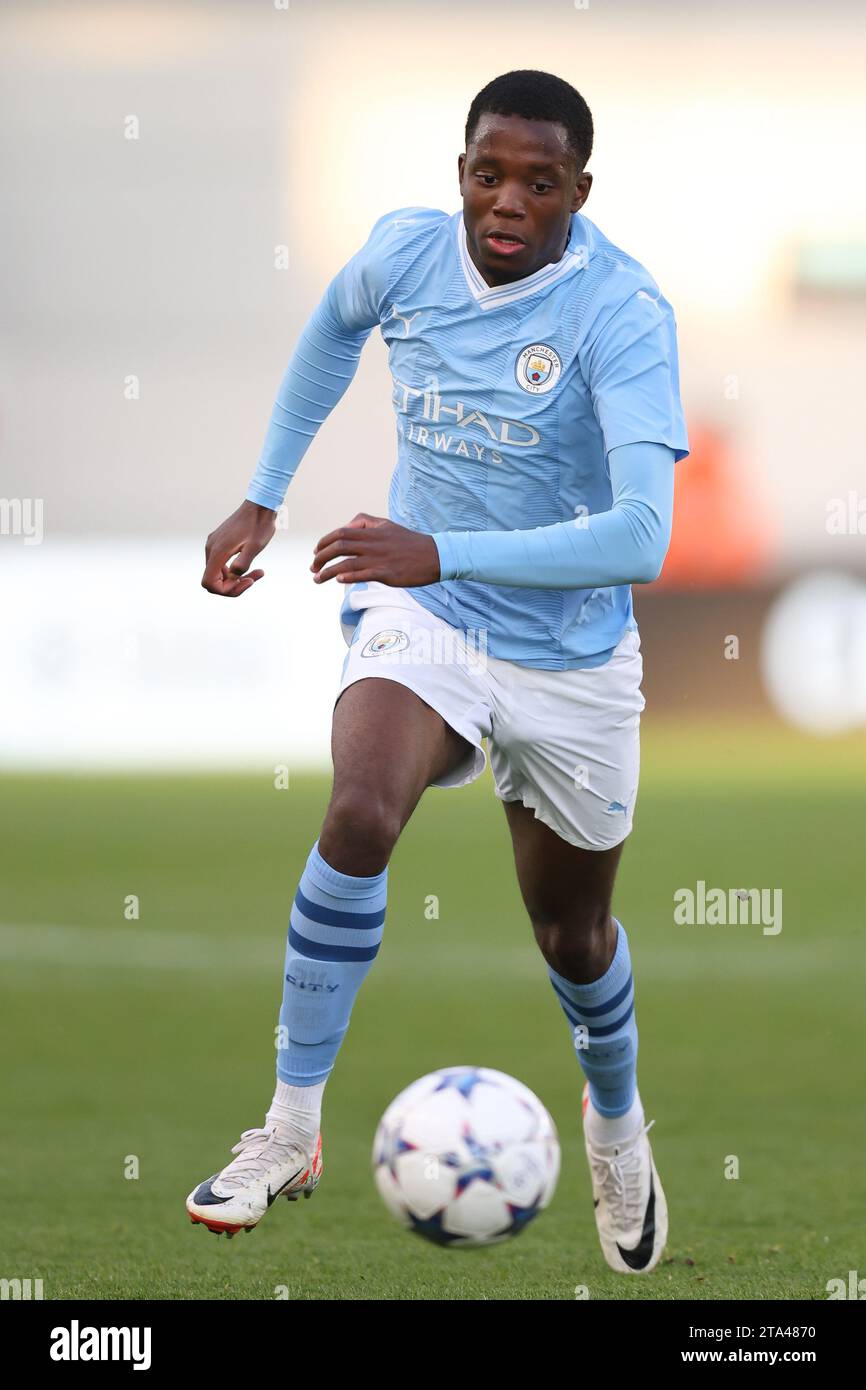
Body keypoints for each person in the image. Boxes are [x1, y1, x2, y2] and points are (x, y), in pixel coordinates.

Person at [188, 68, 689, 1275]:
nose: (504, 202)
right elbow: (328, 330)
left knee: (571, 936)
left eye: (536, 182)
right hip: (429, 617)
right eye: (485, 173)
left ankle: (615, 1125)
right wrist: (264, 495)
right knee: (360, 805)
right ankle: (290, 1129)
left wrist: (436, 543)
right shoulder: (404, 258)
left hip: (569, 660)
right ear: (457, 171)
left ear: (580, 189)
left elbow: (642, 537)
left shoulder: (620, 312)